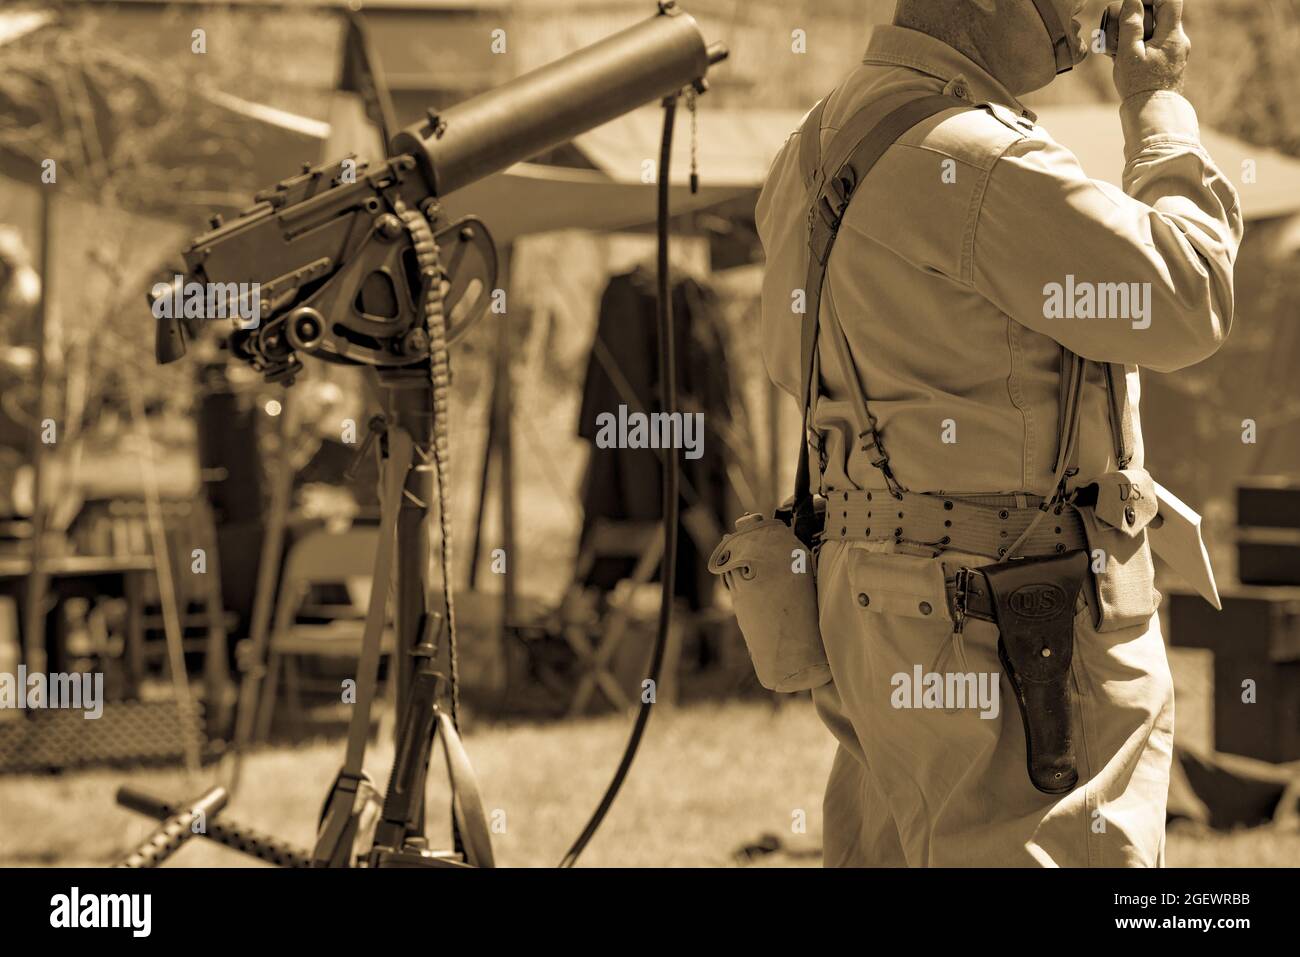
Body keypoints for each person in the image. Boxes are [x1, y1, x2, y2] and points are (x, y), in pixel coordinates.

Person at [756, 0, 1241, 866]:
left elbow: (795, 367)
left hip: (877, 603)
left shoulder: (812, 144)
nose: (1098, 15)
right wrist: (1157, 107)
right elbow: (1186, 297)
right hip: (1013, 616)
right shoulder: (978, 159)